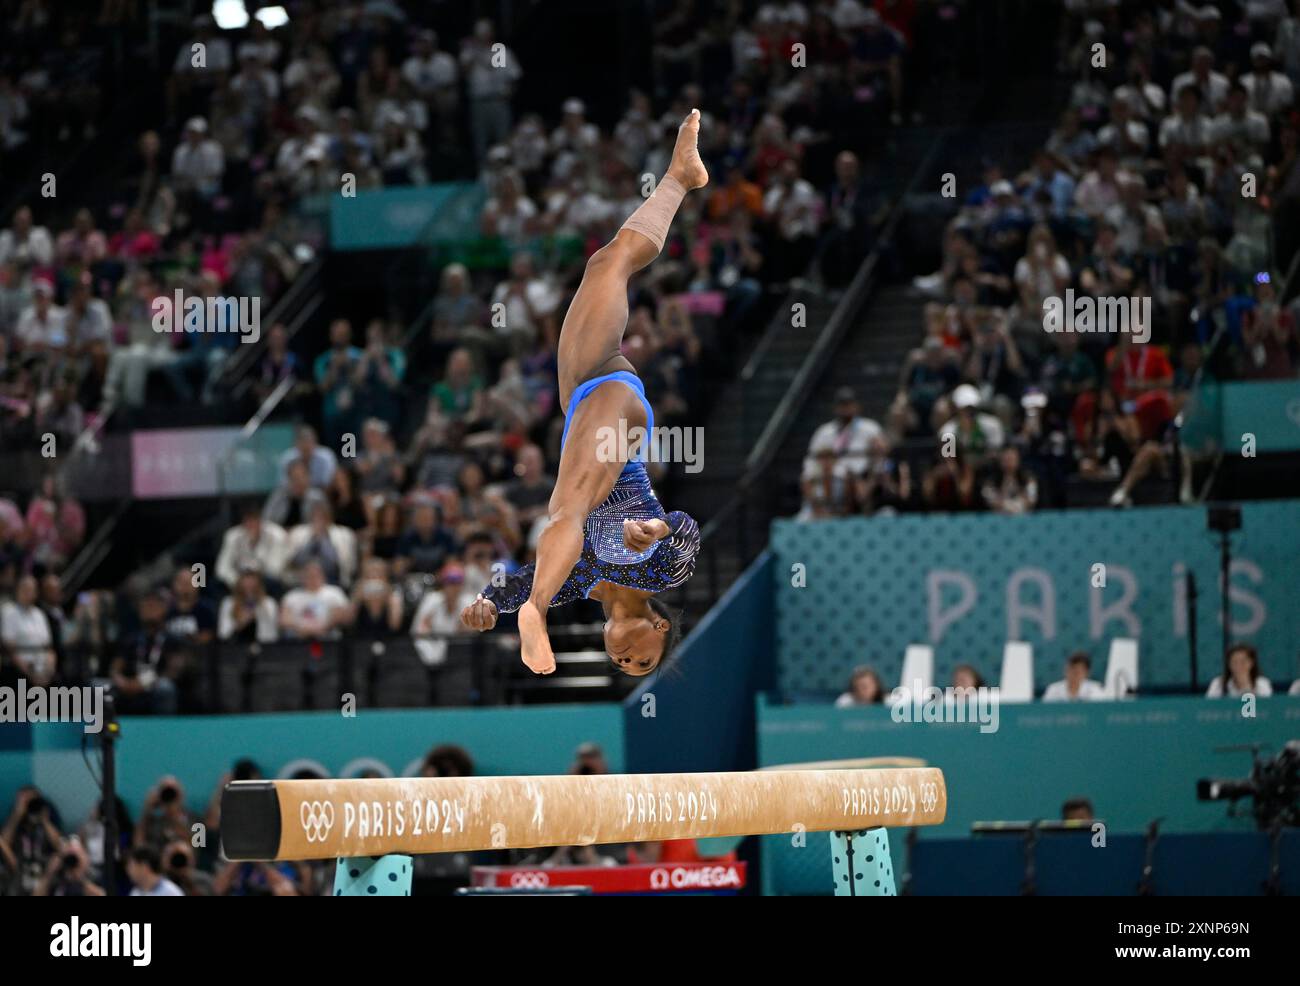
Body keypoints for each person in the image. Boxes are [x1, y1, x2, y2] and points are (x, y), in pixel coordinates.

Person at [460, 111, 707, 678]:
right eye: (642, 659)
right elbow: (690, 529)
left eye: (620, 664)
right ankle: (536, 615)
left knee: (608, 263)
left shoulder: (587, 579)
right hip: (618, 416)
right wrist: (660, 528)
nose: (625, 658)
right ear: (661, 626)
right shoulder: (663, 573)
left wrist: (486, 603)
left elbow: (513, 575)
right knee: (566, 509)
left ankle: (680, 179)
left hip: (586, 397)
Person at [1205, 642, 1273, 697]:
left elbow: (1268, 708)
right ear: (1229, 664)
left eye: (1243, 662)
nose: (1239, 666)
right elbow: (1208, 708)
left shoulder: (1262, 683)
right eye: (1235, 662)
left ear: (1252, 663)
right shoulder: (1217, 684)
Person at [1042, 652, 1106, 702]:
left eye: (1077, 672)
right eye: (1069, 670)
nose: (1072, 675)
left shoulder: (1095, 689)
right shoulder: (1053, 689)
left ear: (1086, 673)